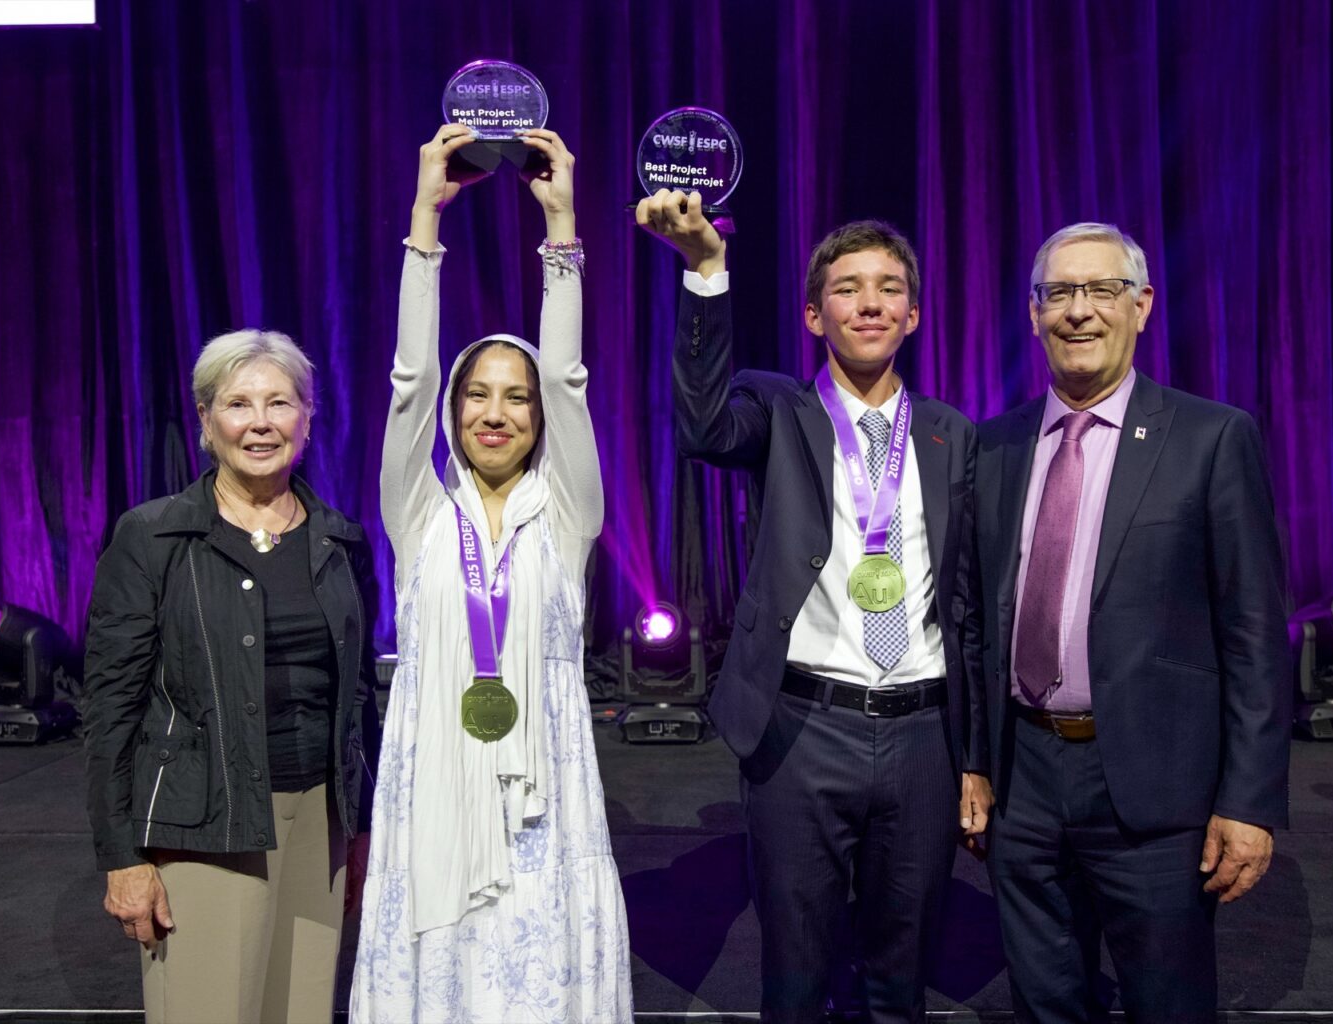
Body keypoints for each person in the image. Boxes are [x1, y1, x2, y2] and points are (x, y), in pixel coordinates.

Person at [637, 193, 991, 1023]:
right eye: (846, 287)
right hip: (803, 730)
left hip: (923, 736)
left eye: (888, 286)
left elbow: (970, 605)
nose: (868, 301)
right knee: (796, 975)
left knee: (902, 977)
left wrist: (975, 756)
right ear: (812, 314)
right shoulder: (778, 412)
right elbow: (698, 424)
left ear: (912, 313)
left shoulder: (952, 435)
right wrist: (706, 273)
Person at [966, 222, 1291, 1022]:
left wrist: (1249, 801)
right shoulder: (995, 446)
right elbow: (975, 617)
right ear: (1034, 313)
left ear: (1141, 306)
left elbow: (1254, 636)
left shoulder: (1212, 438)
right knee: (1045, 1001)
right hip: (1024, 780)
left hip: (1155, 791)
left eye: (1102, 290)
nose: (1080, 311)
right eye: (1059, 294)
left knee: (1168, 1004)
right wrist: (975, 762)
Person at [348, 125, 630, 1023]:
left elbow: (573, 380)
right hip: (435, 770)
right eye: (478, 393)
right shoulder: (418, 513)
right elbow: (407, 381)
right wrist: (424, 225)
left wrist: (563, 241)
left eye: (517, 395)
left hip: (545, 785)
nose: (496, 412)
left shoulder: (570, 511)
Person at [82, 329, 381, 1024]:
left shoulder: (341, 539)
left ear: (308, 418)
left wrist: (362, 831)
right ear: (206, 421)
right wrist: (123, 858)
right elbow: (110, 711)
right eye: (238, 404)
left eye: (280, 403)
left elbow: (360, 697)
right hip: (201, 829)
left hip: (322, 825)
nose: (260, 422)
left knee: (300, 1013)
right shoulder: (153, 537)